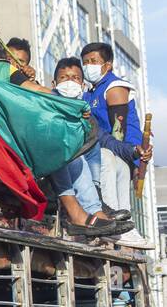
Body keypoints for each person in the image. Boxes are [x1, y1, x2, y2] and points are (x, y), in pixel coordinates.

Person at [49, 57, 141, 238]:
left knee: (104, 152)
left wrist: (133, 151)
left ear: (83, 85)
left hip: (74, 171)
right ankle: (93, 210)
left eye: (75, 78)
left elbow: (106, 140)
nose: (69, 82)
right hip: (51, 167)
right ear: (54, 83)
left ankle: (102, 207)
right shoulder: (48, 103)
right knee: (76, 158)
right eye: (64, 78)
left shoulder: (85, 113)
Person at [80, 42, 150, 220]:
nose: (88, 66)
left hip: (121, 150)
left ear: (107, 65)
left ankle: (114, 218)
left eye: (93, 61)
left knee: (110, 161)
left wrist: (133, 160)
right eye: (85, 62)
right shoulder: (88, 92)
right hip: (102, 147)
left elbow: (118, 133)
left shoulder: (114, 87)